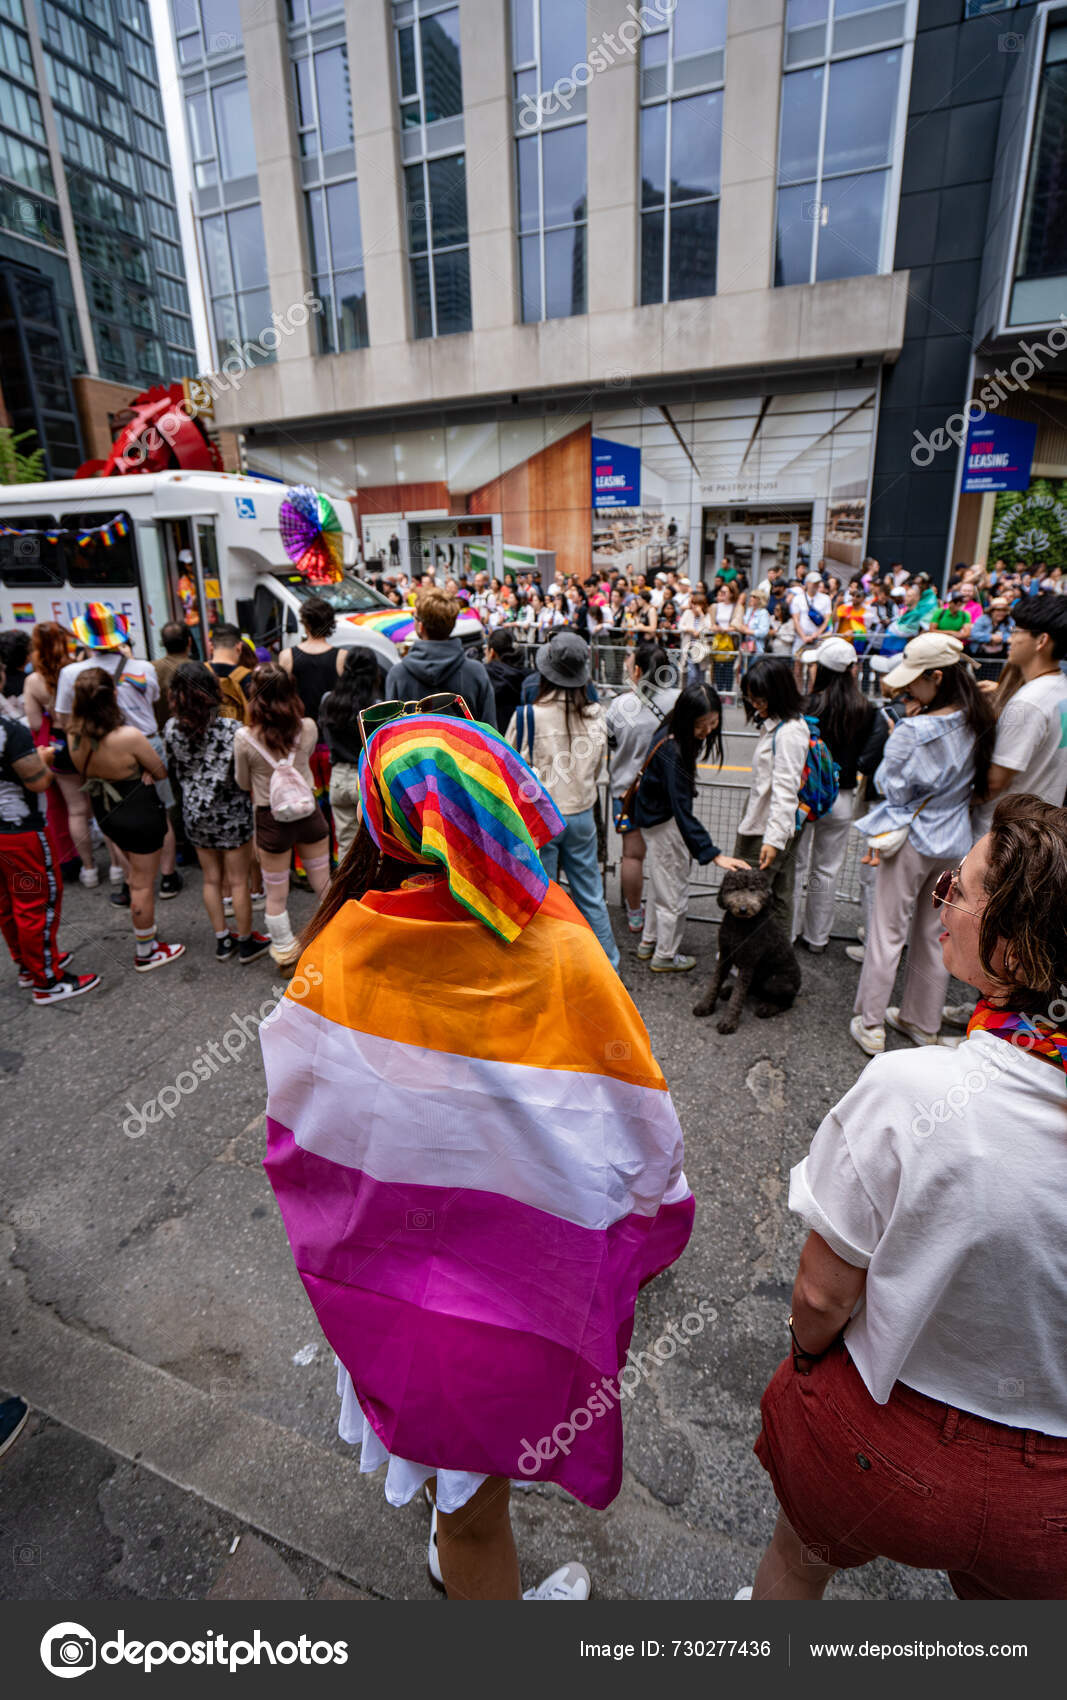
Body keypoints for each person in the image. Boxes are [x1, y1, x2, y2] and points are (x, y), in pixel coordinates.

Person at [261, 708, 695, 1600]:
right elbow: (637, 1128)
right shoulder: (561, 950)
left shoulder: (340, 944)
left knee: (447, 1466)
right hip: (504, 1302)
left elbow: (302, 1126)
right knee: (474, 1499)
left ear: (387, 817)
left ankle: (449, 1544)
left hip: (384, 1286)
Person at [747, 795, 1067, 1602]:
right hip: (1049, 1494)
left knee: (796, 1562)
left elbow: (820, 1295)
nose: (943, 905)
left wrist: (808, 1362)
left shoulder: (910, 1089)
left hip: (881, 1430)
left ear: (1021, 952)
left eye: (957, 891)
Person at [850, 634, 994, 1056]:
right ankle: (922, 1021)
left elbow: (888, 787)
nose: (908, 689)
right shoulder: (978, 717)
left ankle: (872, 1022)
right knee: (936, 934)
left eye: (915, 681)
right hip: (954, 841)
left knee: (887, 932)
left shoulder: (914, 729)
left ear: (936, 676)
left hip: (911, 839)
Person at [54, 604, 182, 904]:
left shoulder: (71, 673)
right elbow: (151, 700)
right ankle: (167, 877)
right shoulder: (144, 667)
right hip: (148, 743)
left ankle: (129, 881)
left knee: (111, 814)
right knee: (161, 811)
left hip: (100, 747)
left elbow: (62, 719)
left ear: (87, 639)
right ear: (118, 635)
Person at [508, 631, 619, 970]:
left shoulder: (528, 716)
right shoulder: (598, 715)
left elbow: (511, 766)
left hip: (542, 818)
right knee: (591, 895)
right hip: (583, 812)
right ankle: (607, 965)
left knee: (542, 896)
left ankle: (546, 966)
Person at [68, 668, 185, 974]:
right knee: (144, 886)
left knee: (136, 876)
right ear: (114, 697)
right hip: (139, 815)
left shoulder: (74, 737)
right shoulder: (128, 737)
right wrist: (145, 771)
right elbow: (159, 772)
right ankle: (146, 951)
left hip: (106, 814)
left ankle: (144, 926)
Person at [0, 656, 100, 1004]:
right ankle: (48, 979)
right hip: (19, 830)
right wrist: (41, 758)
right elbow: (40, 782)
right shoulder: (8, 732)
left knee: (8, 904)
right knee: (35, 905)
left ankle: (28, 966)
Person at [633, 684, 748, 973]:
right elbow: (682, 812)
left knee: (661, 885)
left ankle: (650, 943)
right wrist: (713, 853)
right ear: (687, 719)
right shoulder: (675, 750)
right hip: (665, 823)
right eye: (701, 724)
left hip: (654, 821)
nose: (708, 730)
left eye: (713, 722)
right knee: (673, 892)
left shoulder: (670, 729)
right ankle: (665, 955)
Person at [163, 662, 268, 964]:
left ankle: (223, 940)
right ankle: (247, 942)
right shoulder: (232, 730)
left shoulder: (171, 729)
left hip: (194, 813)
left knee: (211, 880)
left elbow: (173, 768)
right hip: (232, 811)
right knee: (238, 881)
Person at [234, 664, 331, 967]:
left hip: (271, 821)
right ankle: (337, 938)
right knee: (324, 883)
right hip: (309, 813)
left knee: (276, 895)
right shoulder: (309, 727)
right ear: (291, 691)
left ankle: (286, 954)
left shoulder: (244, 737)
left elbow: (242, 783)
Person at [791, 639, 879, 954]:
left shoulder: (806, 705)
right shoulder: (866, 708)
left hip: (804, 798)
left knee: (796, 867)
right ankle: (817, 938)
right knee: (826, 871)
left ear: (821, 669)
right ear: (852, 669)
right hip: (842, 797)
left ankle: (787, 933)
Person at [972, 593, 1067, 834]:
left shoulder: (1029, 702)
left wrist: (945, 802)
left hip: (1001, 834)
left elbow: (995, 782)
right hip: (1037, 828)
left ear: (1041, 641)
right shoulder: (1059, 687)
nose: (1009, 639)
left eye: (1016, 631)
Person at [606, 643, 680, 935]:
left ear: (637, 670)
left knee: (632, 855)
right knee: (665, 857)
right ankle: (663, 918)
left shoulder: (619, 705)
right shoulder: (678, 701)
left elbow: (611, 742)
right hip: (666, 793)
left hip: (626, 792)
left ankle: (635, 914)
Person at [736, 658, 810, 931]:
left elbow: (785, 791)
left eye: (760, 699)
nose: (755, 705)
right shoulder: (781, 725)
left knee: (747, 896)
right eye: (750, 698)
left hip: (767, 827)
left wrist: (773, 840)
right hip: (772, 823)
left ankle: (752, 956)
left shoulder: (789, 732)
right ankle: (776, 955)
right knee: (779, 891)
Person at [22, 622, 92, 882]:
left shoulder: (33, 681)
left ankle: (89, 869)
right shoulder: (78, 671)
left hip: (60, 745)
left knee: (75, 809)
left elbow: (35, 724)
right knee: (97, 805)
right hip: (87, 740)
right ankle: (118, 868)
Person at [384, 588, 497, 728]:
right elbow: (491, 734)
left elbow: (390, 735)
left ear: (420, 626)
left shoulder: (398, 675)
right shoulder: (475, 672)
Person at [318, 648, 384, 862]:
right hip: (367, 779)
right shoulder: (377, 708)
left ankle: (347, 894)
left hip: (338, 778)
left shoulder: (328, 700)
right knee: (374, 846)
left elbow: (326, 735)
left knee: (346, 845)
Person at [279, 595, 344, 722]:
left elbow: (282, 697)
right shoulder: (342, 656)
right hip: (331, 728)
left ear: (305, 624)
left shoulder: (287, 656)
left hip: (298, 729)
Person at [484, 625, 529, 737]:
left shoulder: (484, 674)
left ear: (492, 651)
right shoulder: (528, 675)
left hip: (493, 737)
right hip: (521, 735)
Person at [207, 622, 252, 721]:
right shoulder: (248, 677)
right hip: (239, 735)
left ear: (210, 646)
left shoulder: (197, 674)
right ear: (239, 646)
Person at [152, 622, 192, 729]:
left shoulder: (150, 669)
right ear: (189, 641)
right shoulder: (200, 669)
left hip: (160, 734)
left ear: (163, 644)